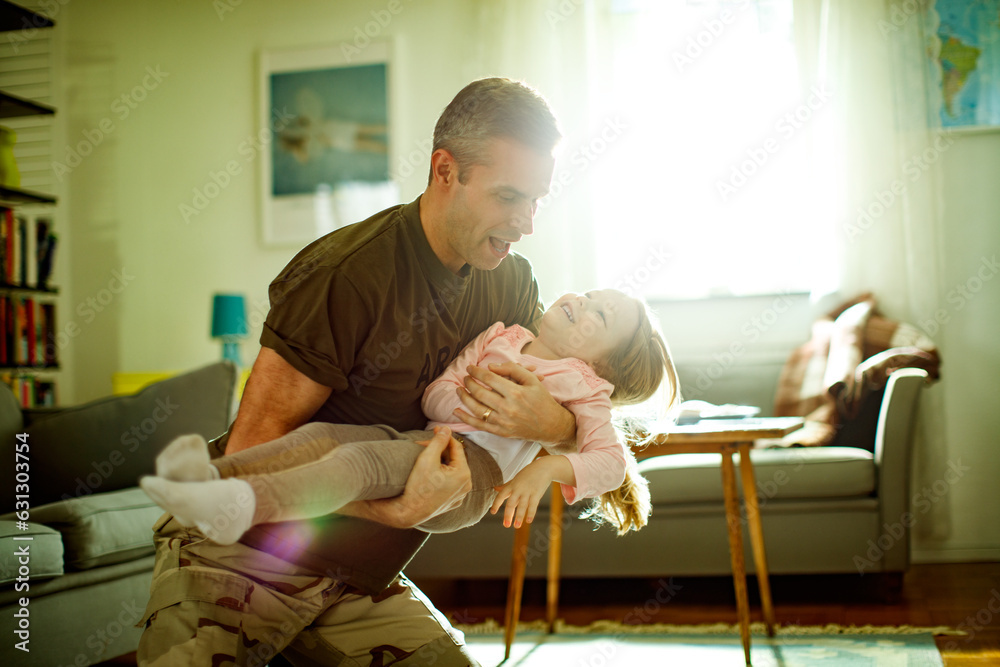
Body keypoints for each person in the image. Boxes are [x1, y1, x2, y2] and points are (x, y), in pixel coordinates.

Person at [138, 77, 576, 667]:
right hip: (242, 548)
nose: (525, 223)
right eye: (508, 197)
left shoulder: (510, 280)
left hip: (353, 575)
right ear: (445, 170)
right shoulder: (347, 276)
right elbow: (253, 445)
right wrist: (390, 511)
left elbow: (568, 406)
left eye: (536, 200)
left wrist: (554, 422)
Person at [139, 289, 680, 545]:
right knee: (324, 436)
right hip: (424, 439)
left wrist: (543, 470)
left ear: (600, 362)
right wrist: (461, 406)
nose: (580, 301)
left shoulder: (584, 388)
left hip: (470, 478)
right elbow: (438, 392)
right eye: (588, 294)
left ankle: (241, 508)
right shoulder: (502, 336)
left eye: (598, 314)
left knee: (355, 462)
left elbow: (611, 464)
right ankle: (208, 480)